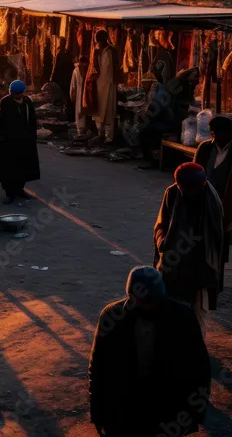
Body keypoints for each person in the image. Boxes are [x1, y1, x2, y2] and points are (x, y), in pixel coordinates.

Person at [88, 266, 210, 437]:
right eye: (143, 301)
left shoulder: (182, 318)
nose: (148, 306)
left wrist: (194, 414)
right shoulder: (111, 316)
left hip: (165, 409)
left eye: (152, 301)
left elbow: (199, 369)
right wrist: (97, 413)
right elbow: (98, 367)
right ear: (131, 297)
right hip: (123, 411)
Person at [153, 162, 226, 333]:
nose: (187, 192)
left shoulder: (211, 200)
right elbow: (161, 225)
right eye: (183, 188)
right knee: (169, 303)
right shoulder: (172, 193)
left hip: (200, 262)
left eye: (191, 188)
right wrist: (163, 242)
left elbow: (216, 237)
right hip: (172, 261)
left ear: (202, 184)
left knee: (195, 309)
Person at [194, 116, 232, 287]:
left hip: (228, 207)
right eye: (213, 133)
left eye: (220, 134)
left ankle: (216, 283)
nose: (216, 137)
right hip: (205, 204)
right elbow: (195, 173)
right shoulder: (205, 148)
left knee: (220, 245)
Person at [0, 80, 39, 204]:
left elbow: (32, 120)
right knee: (9, 168)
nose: (17, 96)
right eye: (15, 94)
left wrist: (32, 136)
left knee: (23, 166)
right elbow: (0, 122)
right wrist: (0, 137)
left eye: (19, 94)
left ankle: (20, 189)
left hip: (25, 141)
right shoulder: (5, 102)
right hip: (9, 142)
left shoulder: (27, 102)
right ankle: (10, 193)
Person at [84, 29, 120, 143]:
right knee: (98, 109)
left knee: (109, 110)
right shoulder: (96, 51)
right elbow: (94, 68)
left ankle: (109, 137)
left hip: (110, 84)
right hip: (99, 84)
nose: (98, 42)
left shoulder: (113, 50)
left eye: (99, 40)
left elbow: (116, 67)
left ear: (104, 39)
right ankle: (100, 134)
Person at [70, 55, 92, 138]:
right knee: (85, 112)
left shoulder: (76, 70)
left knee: (80, 112)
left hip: (81, 94)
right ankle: (85, 130)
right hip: (86, 94)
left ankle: (80, 131)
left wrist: (72, 95)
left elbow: (73, 85)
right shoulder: (89, 70)